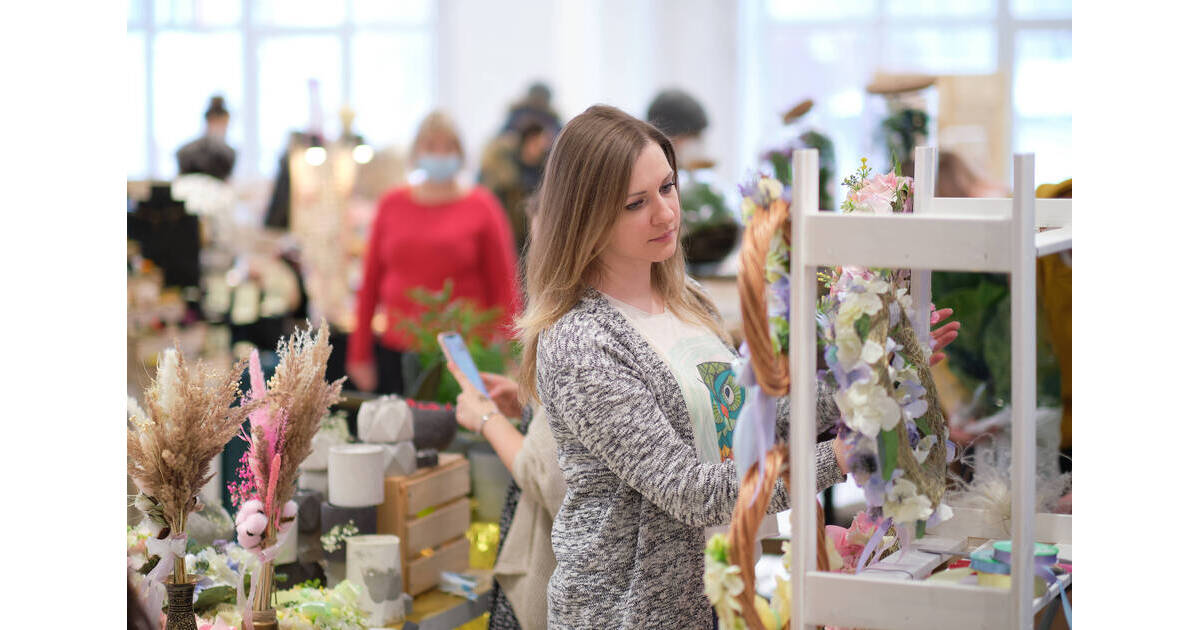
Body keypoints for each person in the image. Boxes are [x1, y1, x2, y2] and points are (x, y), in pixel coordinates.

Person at [512, 105, 847, 629]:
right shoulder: (582, 343)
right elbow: (693, 493)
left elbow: (748, 430)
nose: (666, 214)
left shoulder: (688, 300)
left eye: (668, 188)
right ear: (586, 217)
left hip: (714, 597)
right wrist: (845, 456)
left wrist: (866, 391)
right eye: (635, 203)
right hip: (627, 614)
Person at [347, 111, 521, 394]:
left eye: (448, 147)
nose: (440, 154)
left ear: (460, 153)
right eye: (431, 146)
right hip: (398, 350)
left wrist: (514, 355)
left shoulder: (482, 207)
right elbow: (369, 286)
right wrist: (359, 353)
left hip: (466, 352)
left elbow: (505, 287)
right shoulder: (392, 204)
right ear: (417, 152)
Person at [455, 371, 563, 630]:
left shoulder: (571, 335)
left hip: (549, 562)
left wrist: (486, 418)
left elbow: (542, 473)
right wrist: (530, 405)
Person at [175, 95, 236, 181]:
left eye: (225, 125)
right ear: (210, 121)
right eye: (220, 123)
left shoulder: (229, 154)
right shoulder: (186, 152)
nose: (223, 129)